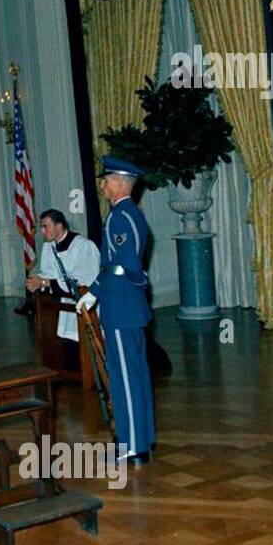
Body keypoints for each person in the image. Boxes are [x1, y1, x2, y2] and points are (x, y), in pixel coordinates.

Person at [78, 158, 155, 465]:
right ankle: (140, 438)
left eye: (106, 179)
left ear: (122, 182)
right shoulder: (123, 214)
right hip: (122, 304)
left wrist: (137, 285)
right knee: (133, 375)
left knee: (125, 378)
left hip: (122, 307)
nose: (102, 184)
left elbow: (130, 266)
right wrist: (94, 293)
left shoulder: (122, 216)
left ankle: (134, 447)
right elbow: (112, 266)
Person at [26, 209, 100, 370]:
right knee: (67, 337)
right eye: (41, 227)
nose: (42, 232)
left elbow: (83, 280)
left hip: (87, 303)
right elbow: (47, 274)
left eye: (46, 227)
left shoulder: (83, 246)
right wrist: (36, 283)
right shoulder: (48, 247)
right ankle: (70, 370)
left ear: (59, 226)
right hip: (64, 305)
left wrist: (45, 282)